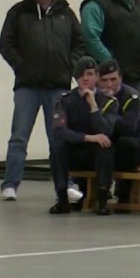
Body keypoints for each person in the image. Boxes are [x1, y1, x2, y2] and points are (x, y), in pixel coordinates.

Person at [0, 0, 86, 201]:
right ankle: (10, 185)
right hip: (28, 85)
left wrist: (70, 66)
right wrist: (21, 66)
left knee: (58, 138)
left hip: (58, 86)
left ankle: (66, 184)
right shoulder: (18, 12)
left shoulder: (67, 13)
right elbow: (6, 44)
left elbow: (80, 43)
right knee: (19, 136)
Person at [48, 57, 118, 215]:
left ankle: (101, 201)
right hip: (75, 151)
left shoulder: (108, 101)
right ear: (75, 78)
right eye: (81, 75)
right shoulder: (65, 100)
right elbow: (58, 130)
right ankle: (62, 200)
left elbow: (106, 131)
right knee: (57, 146)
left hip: (94, 155)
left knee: (105, 145)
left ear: (97, 76)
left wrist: (93, 106)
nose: (85, 78)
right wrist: (88, 137)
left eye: (90, 74)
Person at [80, 0, 140, 99]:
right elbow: (90, 38)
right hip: (108, 80)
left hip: (137, 78)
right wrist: (112, 65)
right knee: (107, 118)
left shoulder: (139, 5)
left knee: (135, 119)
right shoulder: (96, 4)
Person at [95, 59, 140, 202]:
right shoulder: (93, 96)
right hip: (104, 144)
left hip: (128, 146)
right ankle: (90, 192)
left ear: (121, 79)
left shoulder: (131, 97)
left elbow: (128, 128)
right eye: (104, 80)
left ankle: (124, 193)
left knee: (126, 144)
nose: (109, 84)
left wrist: (109, 109)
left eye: (113, 79)